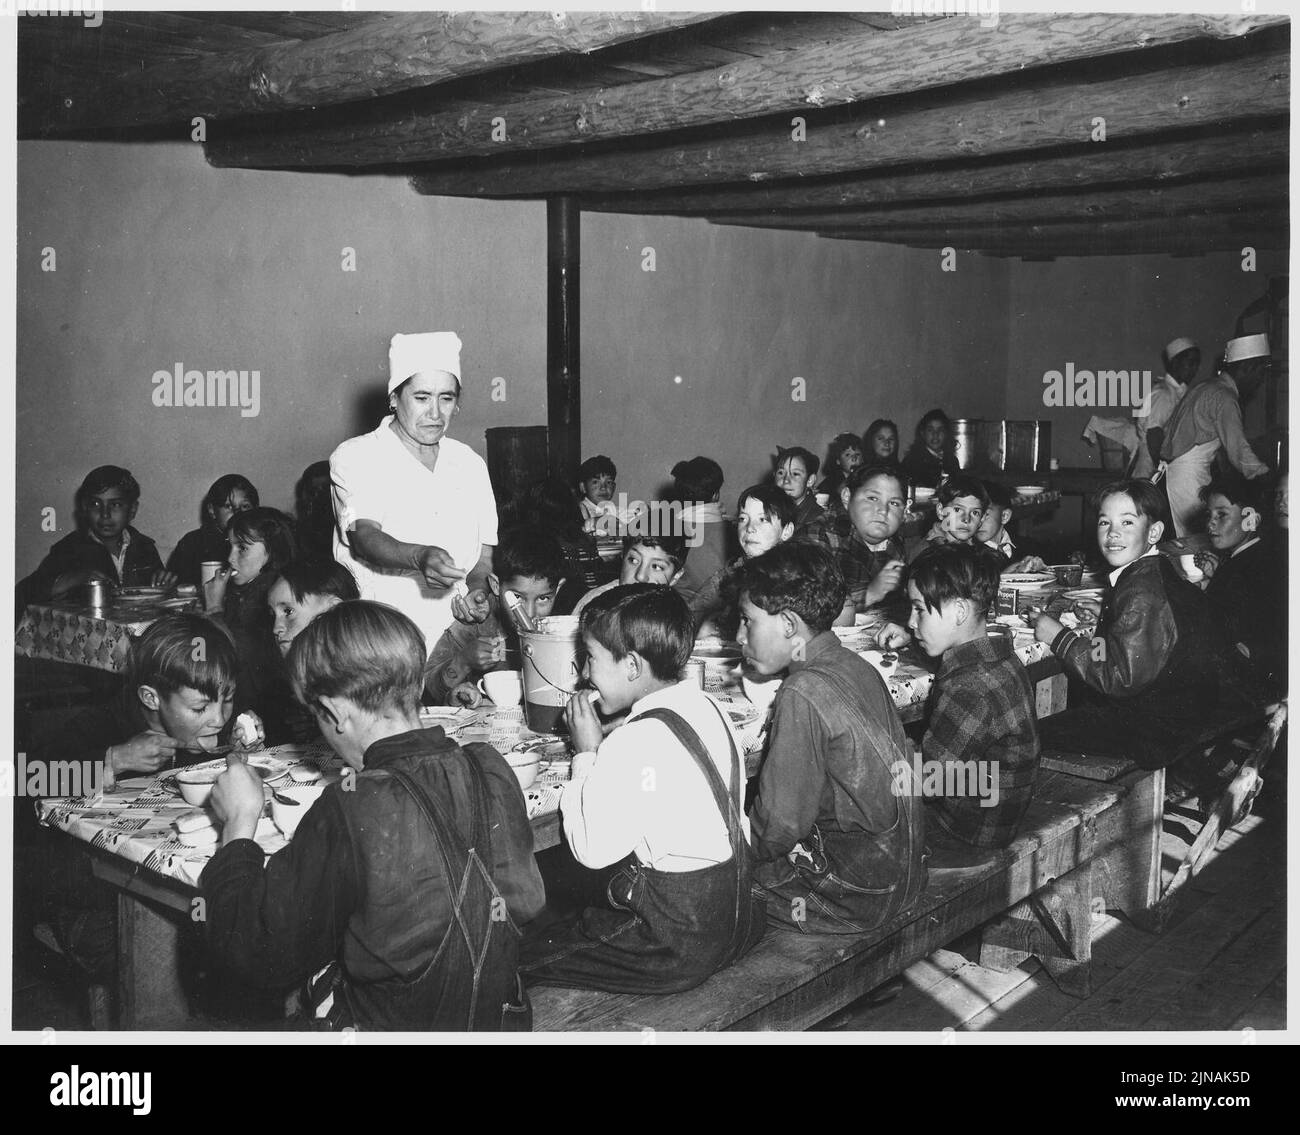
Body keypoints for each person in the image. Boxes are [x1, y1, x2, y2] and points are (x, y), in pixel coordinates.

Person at [202, 601, 545, 1030]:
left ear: (334, 712)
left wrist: (238, 823)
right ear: (415, 682)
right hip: (500, 1024)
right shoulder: (489, 766)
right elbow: (520, 905)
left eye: (318, 719)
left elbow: (255, 952)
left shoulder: (351, 806)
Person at [519, 585, 763, 993]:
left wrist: (589, 753)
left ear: (631, 666)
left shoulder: (632, 743)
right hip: (738, 918)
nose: (583, 673)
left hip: (675, 944)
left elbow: (592, 851)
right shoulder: (709, 707)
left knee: (529, 955)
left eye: (591, 659)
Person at [33, 614, 261, 976]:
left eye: (228, 700)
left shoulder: (206, 714)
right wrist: (113, 758)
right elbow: (28, 778)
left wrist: (245, 738)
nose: (219, 719)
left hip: (180, 893)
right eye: (201, 708)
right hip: (95, 904)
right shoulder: (102, 724)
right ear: (151, 698)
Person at [738, 542, 925, 933]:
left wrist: (730, 857)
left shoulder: (801, 691)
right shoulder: (855, 664)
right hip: (903, 873)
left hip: (856, 895)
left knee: (719, 889)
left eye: (747, 621)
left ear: (789, 625)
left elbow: (779, 825)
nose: (740, 635)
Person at [1033, 480, 1252, 770]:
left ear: (1154, 532)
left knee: (1031, 735)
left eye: (1127, 522)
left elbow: (1118, 678)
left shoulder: (1141, 592)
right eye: (1104, 522)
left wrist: (1058, 637)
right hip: (1179, 715)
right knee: (1070, 718)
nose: (1113, 533)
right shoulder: (1154, 570)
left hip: (1156, 731)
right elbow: (1117, 652)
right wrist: (1108, 621)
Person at [330, 331, 496, 653]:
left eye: (446, 398)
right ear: (394, 398)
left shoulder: (470, 464)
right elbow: (363, 536)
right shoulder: (355, 457)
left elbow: (484, 558)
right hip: (380, 638)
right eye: (421, 398)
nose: (435, 413)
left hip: (453, 640)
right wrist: (420, 557)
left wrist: (477, 593)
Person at [905, 546, 1040, 851]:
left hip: (968, 829)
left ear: (960, 612)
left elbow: (926, 782)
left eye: (919, 609)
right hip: (991, 811)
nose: (911, 622)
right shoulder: (999, 657)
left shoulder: (969, 688)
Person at [424, 527, 569, 705]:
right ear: (495, 585)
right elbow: (427, 689)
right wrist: (464, 661)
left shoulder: (565, 631)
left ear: (558, 590)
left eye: (543, 598)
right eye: (517, 597)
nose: (529, 614)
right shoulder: (476, 619)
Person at [1160, 333, 1271, 536]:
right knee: (1196, 546)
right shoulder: (1224, 397)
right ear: (1247, 368)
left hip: (1179, 475)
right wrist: (1267, 476)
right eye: (1261, 372)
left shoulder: (1206, 387)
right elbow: (1240, 452)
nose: (1260, 381)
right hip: (1188, 478)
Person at [205, 507, 297, 738]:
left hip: (269, 717)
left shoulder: (269, 598)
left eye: (243, 549)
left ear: (272, 553)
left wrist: (214, 608)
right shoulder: (250, 588)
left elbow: (229, 656)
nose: (230, 558)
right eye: (231, 546)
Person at [24, 466, 173, 601]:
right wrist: (74, 579)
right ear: (84, 508)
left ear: (132, 510)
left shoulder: (144, 547)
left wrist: (165, 587)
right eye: (95, 504)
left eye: (115, 505)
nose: (105, 514)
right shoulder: (69, 549)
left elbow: (158, 596)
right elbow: (28, 592)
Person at [1194, 473, 1286, 692]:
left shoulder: (1248, 567)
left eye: (1222, 515)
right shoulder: (1257, 554)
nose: (1210, 523)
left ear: (1251, 520)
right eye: (1209, 514)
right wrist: (1216, 578)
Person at [690, 484, 796, 636]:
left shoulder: (795, 576)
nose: (749, 527)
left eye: (762, 519)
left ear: (786, 531)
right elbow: (693, 609)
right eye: (743, 518)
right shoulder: (731, 572)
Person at [823, 465, 909, 626]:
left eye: (894, 503)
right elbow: (810, 604)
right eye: (872, 498)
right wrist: (869, 593)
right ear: (847, 497)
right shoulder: (822, 536)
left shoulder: (895, 544)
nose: (883, 510)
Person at [167, 474, 259, 588]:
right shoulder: (192, 543)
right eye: (229, 506)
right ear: (212, 510)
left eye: (245, 506)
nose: (238, 513)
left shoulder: (259, 545)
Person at [572, 530, 689, 617]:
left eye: (656, 567)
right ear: (622, 557)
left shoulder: (674, 616)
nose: (640, 576)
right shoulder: (593, 605)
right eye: (633, 560)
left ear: (675, 577)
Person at [666, 456, 729, 609]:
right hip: (719, 611)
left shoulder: (670, 529)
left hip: (678, 611)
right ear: (715, 495)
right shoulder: (734, 530)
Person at [1132, 338, 1198, 479]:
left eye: (1197, 363)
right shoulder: (1163, 394)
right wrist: (1169, 469)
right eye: (1190, 362)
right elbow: (1153, 435)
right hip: (1150, 470)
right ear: (1175, 363)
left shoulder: (1179, 393)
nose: (1194, 368)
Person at [905, 474, 988, 561]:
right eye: (957, 510)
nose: (966, 519)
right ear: (941, 511)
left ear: (982, 519)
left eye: (975, 512)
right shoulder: (924, 554)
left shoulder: (983, 556)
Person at [773, 445, 826, 541]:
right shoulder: (769, 511)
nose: (786, 480)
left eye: (795, 474)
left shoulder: (817, 520)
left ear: (810, 480)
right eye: (781, 473)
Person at [901, 409, 960, 489]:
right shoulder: (912, 461)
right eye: (930, 430)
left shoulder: (952, 461)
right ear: (923, 433)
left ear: (946, 433)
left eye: (940, 430)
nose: (935, 434)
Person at [293, 460, 335, 564]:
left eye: (325, 490)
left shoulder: (351, 516)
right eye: (313, 491)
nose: (318, 496)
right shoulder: (303, 525)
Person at [819, 432, 866, 514]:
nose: (854, 458)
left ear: (863, 459)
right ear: (838, 460)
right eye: (848, 455)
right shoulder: (830, 481)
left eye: (857, 454)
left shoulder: (866, 479)